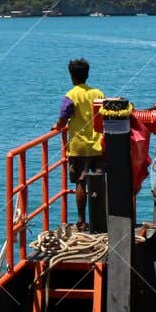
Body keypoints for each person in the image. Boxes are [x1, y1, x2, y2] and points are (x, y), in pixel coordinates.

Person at [53, 57, 104, 228]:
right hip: (98, 144)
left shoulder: (71, 95)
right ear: (87, 75)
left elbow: (63, 119)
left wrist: (57, 126)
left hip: (79, 147)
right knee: (99, 181)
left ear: (72, 76)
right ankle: (101, 219)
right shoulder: (98, 94)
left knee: (81, 182)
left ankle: (82, 220)